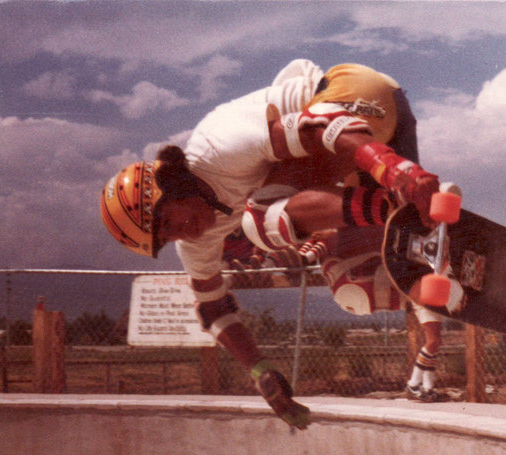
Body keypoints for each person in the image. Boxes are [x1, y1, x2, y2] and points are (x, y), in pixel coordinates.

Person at [101, 60, 453, 426]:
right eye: (166, 239)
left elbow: (318, 127)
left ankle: (400, 206)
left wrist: (394, 170)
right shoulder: (196, 244)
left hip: (356, 98)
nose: (181, 234)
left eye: (168, 222)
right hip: (375, 136)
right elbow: (212, 310)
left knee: (259, 219)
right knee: (354, 286)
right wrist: (260, 370)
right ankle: (437, 257)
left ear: (171, 186)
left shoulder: (215, 146)